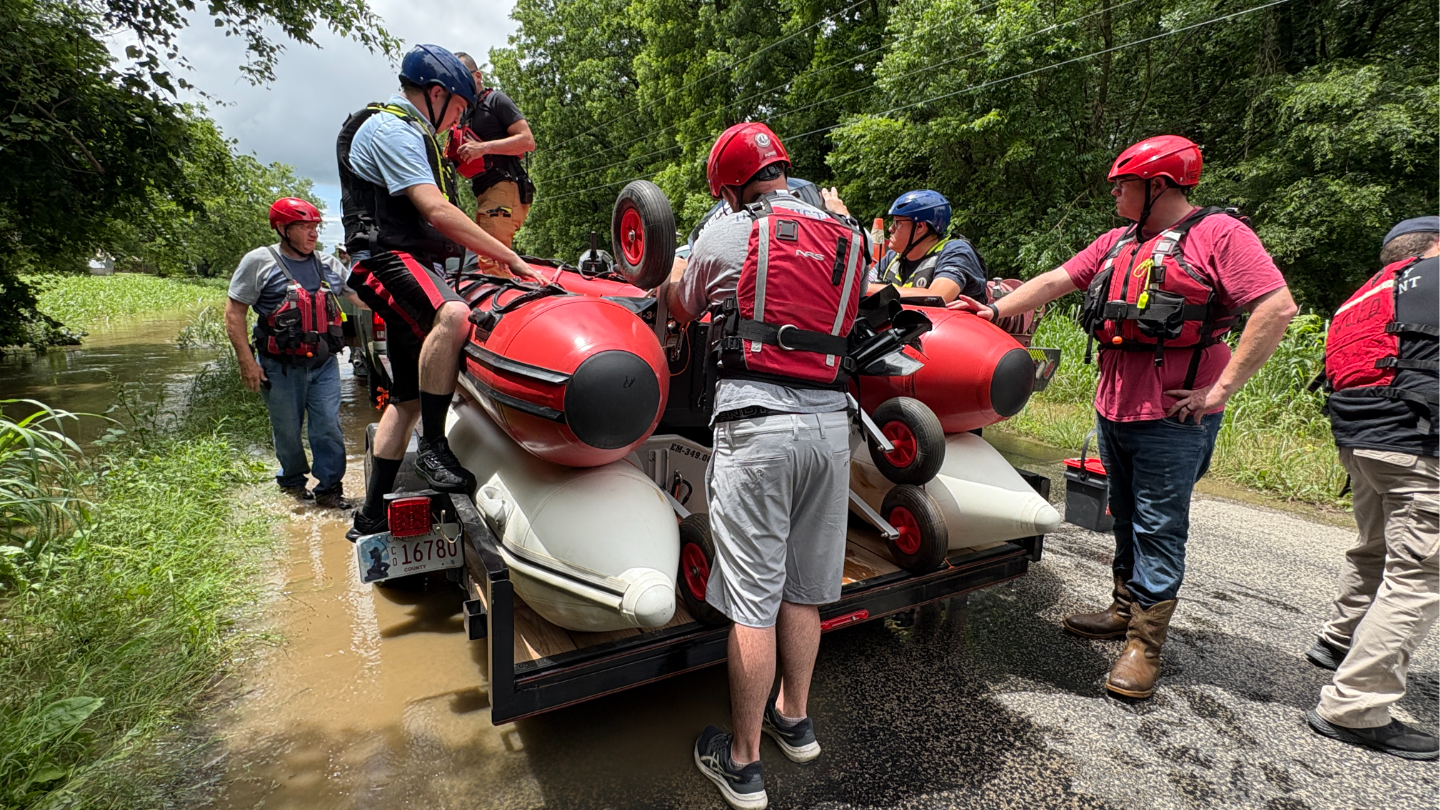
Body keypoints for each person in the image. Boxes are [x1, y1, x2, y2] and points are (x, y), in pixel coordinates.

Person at [953, 134, 1297, 699]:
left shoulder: (1220, 235)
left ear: (1158, 186)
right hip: (1117, 404)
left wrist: (1221, 389)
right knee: (1126, 511)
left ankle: (1145, 645)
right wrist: (991, 309)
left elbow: (1276, 306)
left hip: (1172, 412)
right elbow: (1056, 282)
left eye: (1124, 184)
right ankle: (1122, 608)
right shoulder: (1119, 242)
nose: (1114, 192)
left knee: (1159, 523)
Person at [658, 123, 866, 810]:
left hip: (758, 429)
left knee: (752, 604)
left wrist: (682, 263)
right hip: (832, 429)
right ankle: (795, 722)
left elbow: (682, 304)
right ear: (781, 167)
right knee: (803, 591)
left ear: (728, 184)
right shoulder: (848, 235)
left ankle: (743, 764)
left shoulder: (726, 231)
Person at [338, 44, 539, 541]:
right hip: (387, 257)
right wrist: (512, 258)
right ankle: (433, 448)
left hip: (405, 260)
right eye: (456, 108)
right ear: (434, 94)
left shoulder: (412, 132)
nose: (458, 120)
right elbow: (436, 211)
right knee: (453, 315)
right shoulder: (393, 130)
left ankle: (370, 517)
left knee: (404, 399)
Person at [1305, 216, 1440, 760]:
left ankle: (1338, 639)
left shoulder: (1368, 294)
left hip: (1360, 442)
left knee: (1375, 548)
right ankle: (1356, 707)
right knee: (1419, 574)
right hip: (1418, 444)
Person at [225, 198, 358, 509]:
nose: (313, 234)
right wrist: (247, 363)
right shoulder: (259, 262)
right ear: (283, 229)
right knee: (287, 430)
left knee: (327, 425)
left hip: (324, 364)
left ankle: (329, 489)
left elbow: (357, 296)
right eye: (304, 227)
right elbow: (234, 313)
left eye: (315, 227)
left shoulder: (326, 263)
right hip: (279, 367)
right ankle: (293, 483)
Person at [451, 53, 535, 276]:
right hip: (483, 194)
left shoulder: (495, 100)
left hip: (504, 187)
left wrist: (483, 148)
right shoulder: (463, 112)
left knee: (491, 260)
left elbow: (527, 141)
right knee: (488, 259)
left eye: (462, 77)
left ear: (477, 76)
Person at [868, 189, 987, 303]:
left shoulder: (957, 252)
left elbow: (937, 296)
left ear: (920, 227)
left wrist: (871, 290)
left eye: (898, 223)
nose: (891, 228)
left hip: (951, 324)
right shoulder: (893, 257)